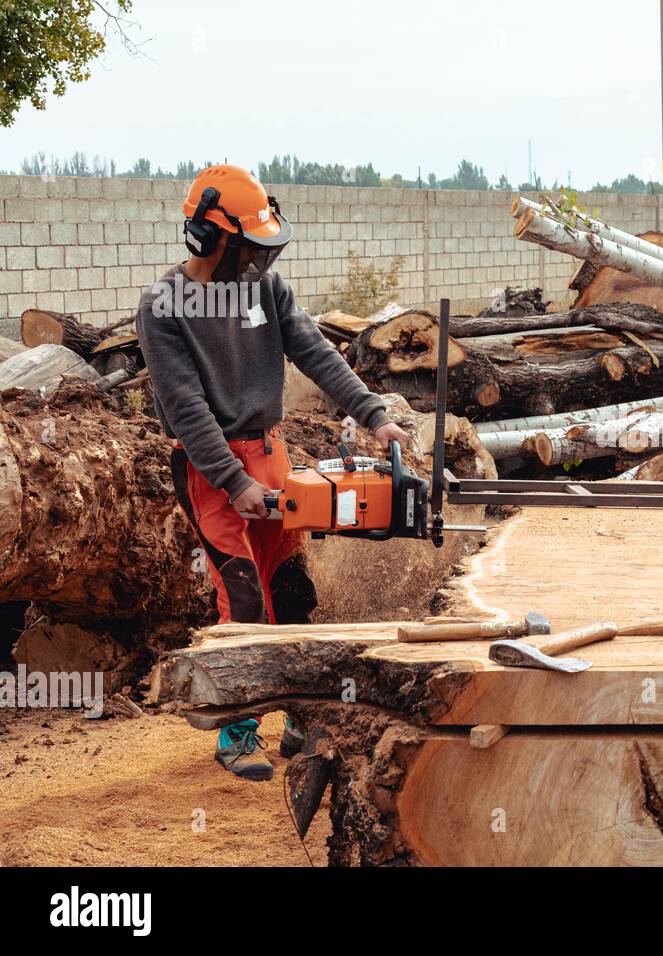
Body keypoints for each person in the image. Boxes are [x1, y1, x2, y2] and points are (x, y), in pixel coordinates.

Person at [136, 165, 409, 781]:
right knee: (242, 595)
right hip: (212, 466)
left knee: (289, 588)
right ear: (210, 237)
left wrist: (374, 415)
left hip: (273, 451)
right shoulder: (164, 307)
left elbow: (315, 351)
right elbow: (185, 408)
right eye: (247, 246)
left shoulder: (267, 290)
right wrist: (236, 483)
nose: (258, 260)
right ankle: (236, 731)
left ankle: (296, 718)